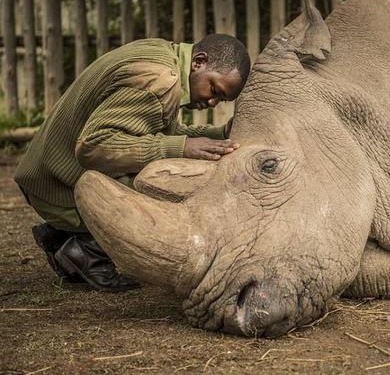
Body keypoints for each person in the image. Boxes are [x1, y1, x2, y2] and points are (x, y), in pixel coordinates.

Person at [14, 34, 251, 292]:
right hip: (57, 187)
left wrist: (219, 135)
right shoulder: (159, 81)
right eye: (214, 90)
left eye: (221, 100)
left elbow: (157, 132)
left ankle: (64, 234)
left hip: (46, 174)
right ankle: (85, 248)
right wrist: (180, 148)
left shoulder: (163, 55)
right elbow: (94, 147)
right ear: (199, 62)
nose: (211, 102)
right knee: (171, 187)